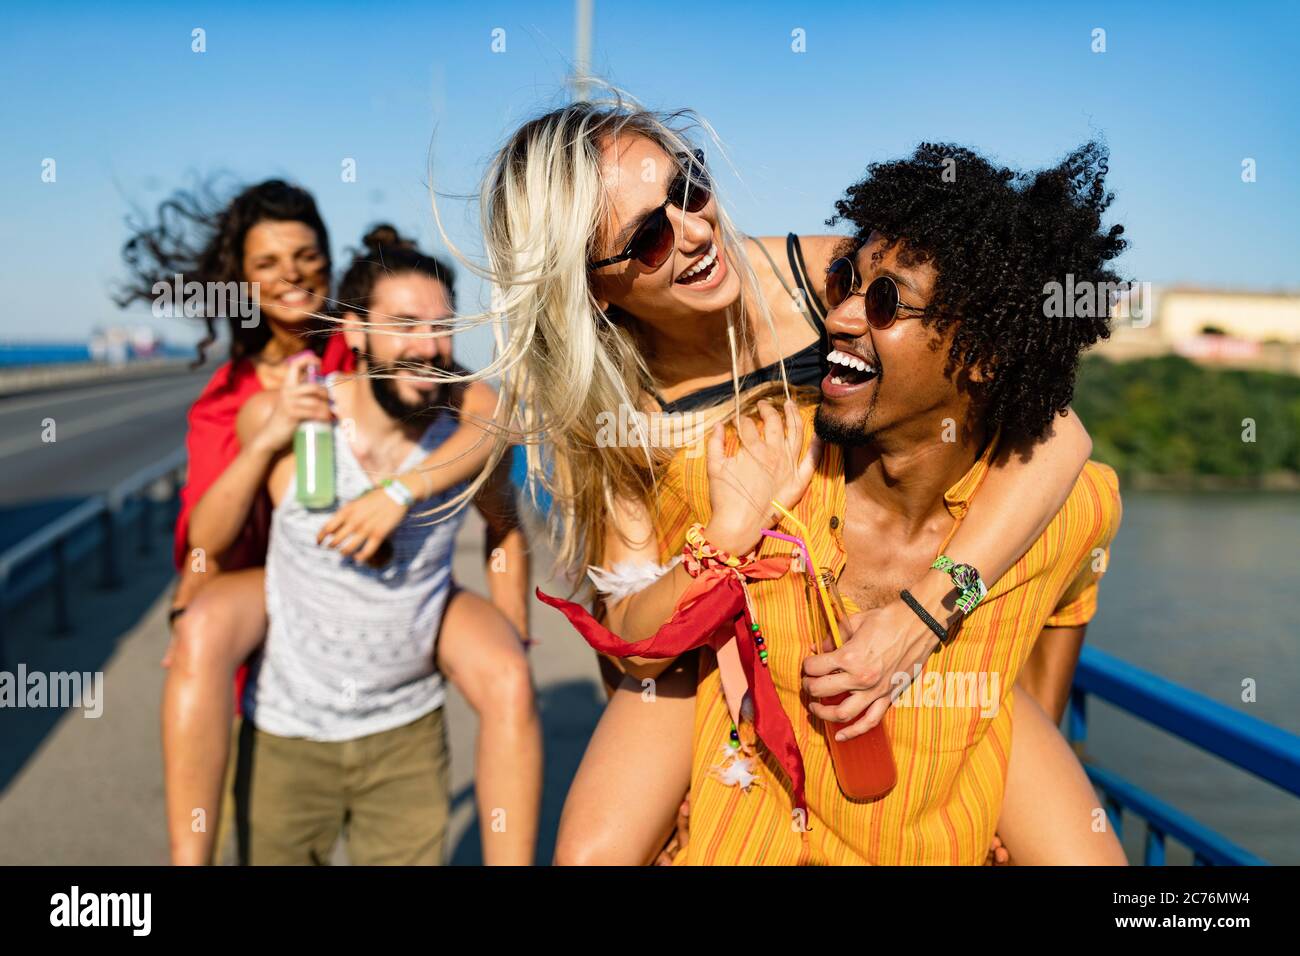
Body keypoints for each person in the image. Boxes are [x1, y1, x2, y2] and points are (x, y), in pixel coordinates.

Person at [435, 97, 1103, 864]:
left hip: (899, 607)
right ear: (590, 284)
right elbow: (631, 640)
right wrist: (727, 532)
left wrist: (920, 620)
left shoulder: (822, 278)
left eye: (687, 188)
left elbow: (1061, 436)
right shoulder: (608, 410)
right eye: (648, 238)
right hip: (716, 641)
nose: (694, 231)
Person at [117, 184, 532, 864]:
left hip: (401, 589)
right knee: (201, 632)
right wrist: (192, 595)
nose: (291, 275)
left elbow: (489, 418)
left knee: (505, 669)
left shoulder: (395, 350)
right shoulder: (238, 397)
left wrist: (404, 487)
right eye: (267, 264)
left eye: (305, 255)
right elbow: (208, 528)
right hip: (276, 586)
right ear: (243, 283)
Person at [233, 231, 537, 864]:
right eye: (403, 324)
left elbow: (503, 509)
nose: (426, 347)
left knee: (509, 678)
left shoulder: (462, 428)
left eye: (442, 326)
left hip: (405, 734)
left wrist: (514, 634)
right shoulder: (303, 417)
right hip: (288, 734)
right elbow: (217, 526)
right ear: (356, 331)